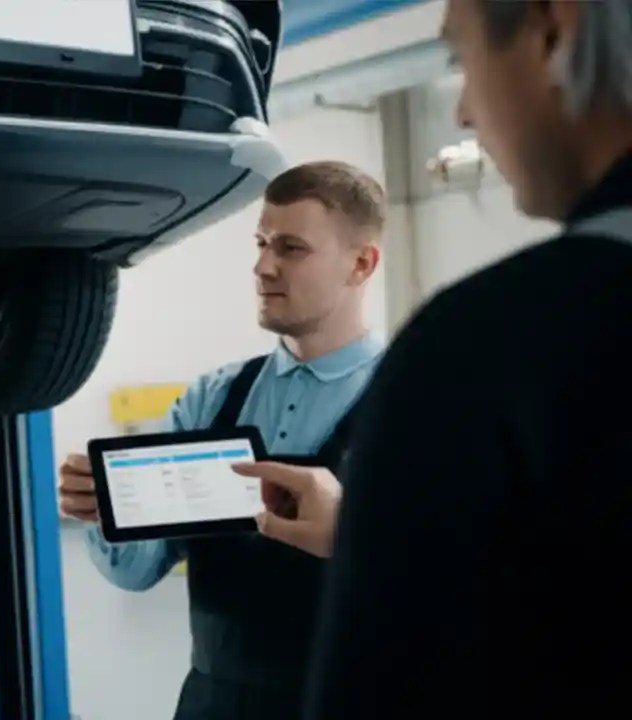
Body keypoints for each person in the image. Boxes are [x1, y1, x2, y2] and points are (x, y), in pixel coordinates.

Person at [233, 1, 632, 718]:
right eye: (262, 246)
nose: (465, 112)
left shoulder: (485, 349)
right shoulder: (225, 392)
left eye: (462, 59)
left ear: (554, 29)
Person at [58, 160, 388, 720]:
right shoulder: (210, 400)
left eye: (291, 248)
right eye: (261, 243)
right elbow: (135, 572)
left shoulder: (413, 399)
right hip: (213, 702)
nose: (262, 266)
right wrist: (104, 512)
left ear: (361, 264)